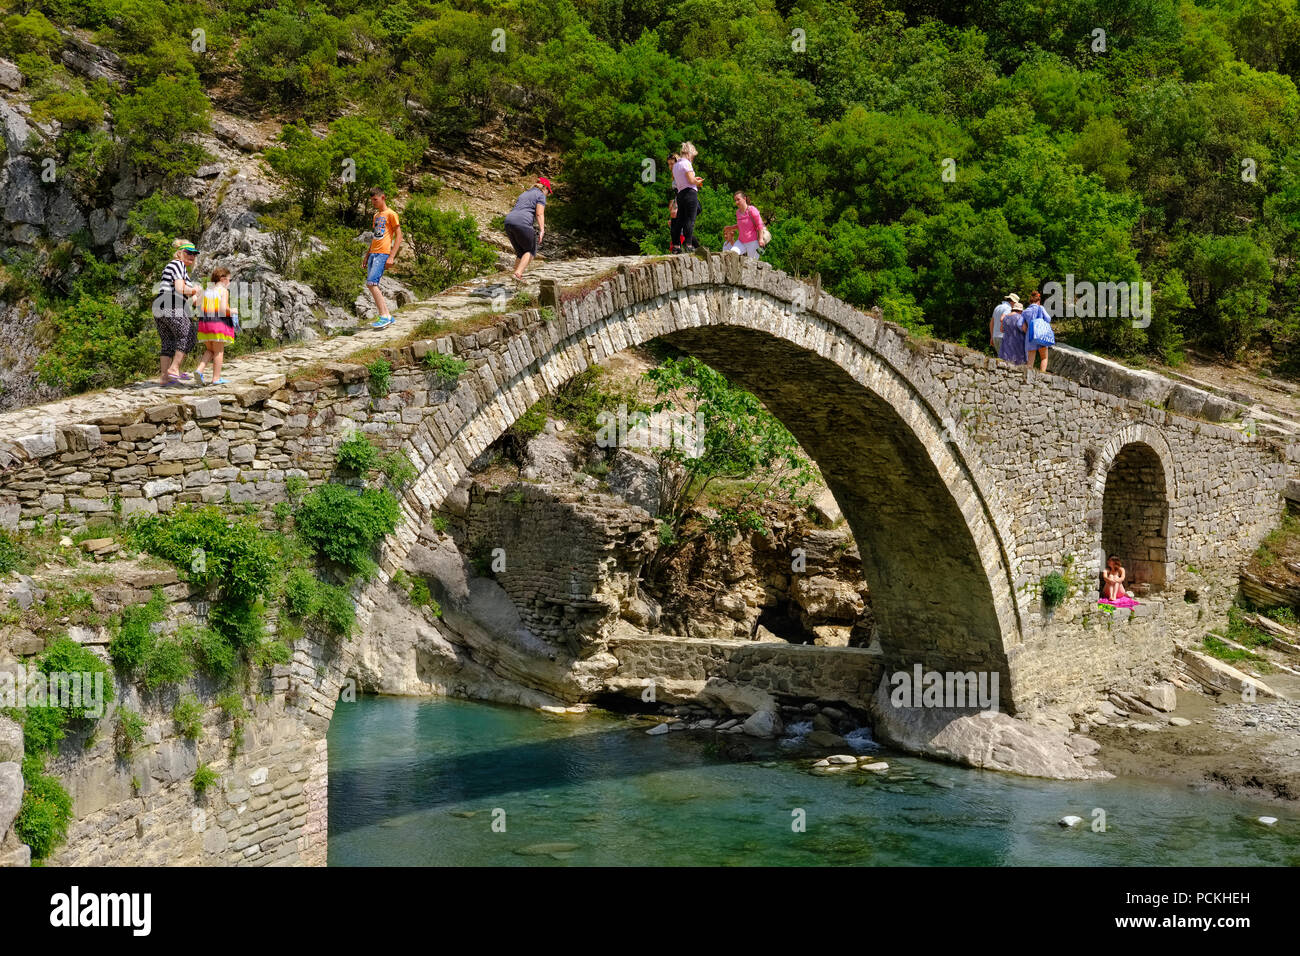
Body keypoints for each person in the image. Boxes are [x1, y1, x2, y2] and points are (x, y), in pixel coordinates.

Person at [155, 239, 200, 387]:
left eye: (194, 254)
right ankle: (174, 368)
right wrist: (195, 291)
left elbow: (194, 300)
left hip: (160, 306)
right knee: (188, 335)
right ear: (180, 253)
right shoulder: (177, 264)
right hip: (171, 304)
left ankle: (165, 377)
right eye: (188, 253)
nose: (192, 256)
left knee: (168, 341)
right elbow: (181, 289)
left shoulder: (183, 272)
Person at [364, 187, 402, 329]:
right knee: (372, 284)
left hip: (383, 253)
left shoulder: (391, 214)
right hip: (373, 253)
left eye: (375, 199)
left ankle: (384, 316)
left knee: (371, 284)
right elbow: (375, 237)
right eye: (372, 200)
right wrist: (367, 255)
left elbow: (399, 236)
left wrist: (391, 256)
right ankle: (387, 315)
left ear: (383, 198)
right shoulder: (376, 216)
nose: (373, 202)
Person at [193, 267, 237, 386]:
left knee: (210, 350)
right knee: (219, 351)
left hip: (204, 324)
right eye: (229, 279)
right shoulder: (223, 291)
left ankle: (199, 370)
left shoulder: (207, 290)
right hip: (218, 323)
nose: (230, 282)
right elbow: (223, 309)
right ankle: (216, 378)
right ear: (223, 279)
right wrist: (233, 311)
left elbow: (196, 304)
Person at [505, 176, 551, 281]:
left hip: (508, 221)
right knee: (530, 250)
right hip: (522, 222)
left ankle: (514, 276)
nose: (547, 195)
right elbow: (539, 213)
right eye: (548, 192)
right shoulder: (540, 195)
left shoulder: (524, 193)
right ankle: (518, 274)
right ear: (544, 188)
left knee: (521, 252)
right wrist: (542, 230)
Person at [671, 141, 703, 252]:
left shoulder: (676, 166)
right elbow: (690, 180)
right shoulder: (686, 163)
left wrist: (693, 179)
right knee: (690, 220)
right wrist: (698, 181)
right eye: (693, 157)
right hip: (690, 194)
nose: (692, 159)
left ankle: (676, 245)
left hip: (680, 194)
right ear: (689, 154)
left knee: (680, 220)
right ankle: (689, 245)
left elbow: (683, 180)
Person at [722, 191, 766, 258]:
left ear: (744, 198)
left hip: (753, 242)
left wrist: (760, 239)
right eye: (735, 200)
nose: (736, 202)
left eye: (738, 199)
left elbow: (760, 225)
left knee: (752, 263)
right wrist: (731, 228)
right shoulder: (738, 212)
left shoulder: (752, 210)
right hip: (741, 241)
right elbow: (741, 225)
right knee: (731, 255)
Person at [1021, 290, 1054, 372]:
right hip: (1041, 335)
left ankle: (1029, 378)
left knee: (1030, 361)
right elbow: (1048, 319)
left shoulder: (1025, 311)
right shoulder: (1041, 308)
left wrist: (1028, 331)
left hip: (1030, 336)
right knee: (1044, 357)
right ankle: (1042, 377)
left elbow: (1021, 325)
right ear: (1038, 300)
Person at [998, 300, 1027, 365]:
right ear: (1020, 311)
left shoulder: (1005, 317)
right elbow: (1024, 329)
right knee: (1017, 364)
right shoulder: (1020, 317)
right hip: (1018, 343)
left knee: (1006, 363)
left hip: (1006, 342)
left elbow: (1001, 329)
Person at [666, 153, 680, 252]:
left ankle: (676, 247)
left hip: (684, 200)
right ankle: (676, 247)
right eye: (669, 164)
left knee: (676, 224)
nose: (670, 166)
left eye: (672, 163)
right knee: (674, 224)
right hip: (678, 199)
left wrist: (677, 206)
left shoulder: (680, 173)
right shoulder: (674, 175)